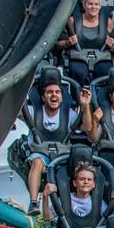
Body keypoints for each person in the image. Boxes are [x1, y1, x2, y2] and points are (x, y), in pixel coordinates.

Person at [23, 71, 90, 214]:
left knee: (70, 169)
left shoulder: (69, 114)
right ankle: (34, 202)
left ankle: (65, 207)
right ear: (43, 97)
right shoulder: (35, 111)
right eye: (49, 92)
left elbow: (87, 127)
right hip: (41, 154)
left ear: (61, 97)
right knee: (37, 162)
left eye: (57, 92)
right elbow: (15, 111)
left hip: (61, 155)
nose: (54, 95)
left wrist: (85, 107)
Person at [58, 0, 114, 88]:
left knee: (106, 72)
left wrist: (112, 45)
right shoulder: (72, 21)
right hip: (77, 59)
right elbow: (58, 44)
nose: (93, 7)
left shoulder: (107, 22)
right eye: (90, 4)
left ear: (100, 6)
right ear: (84, 5)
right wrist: (68, 42)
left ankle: (100, 100)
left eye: (96, 4)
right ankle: (77, 99)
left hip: (101, 59)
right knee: (79, 72)